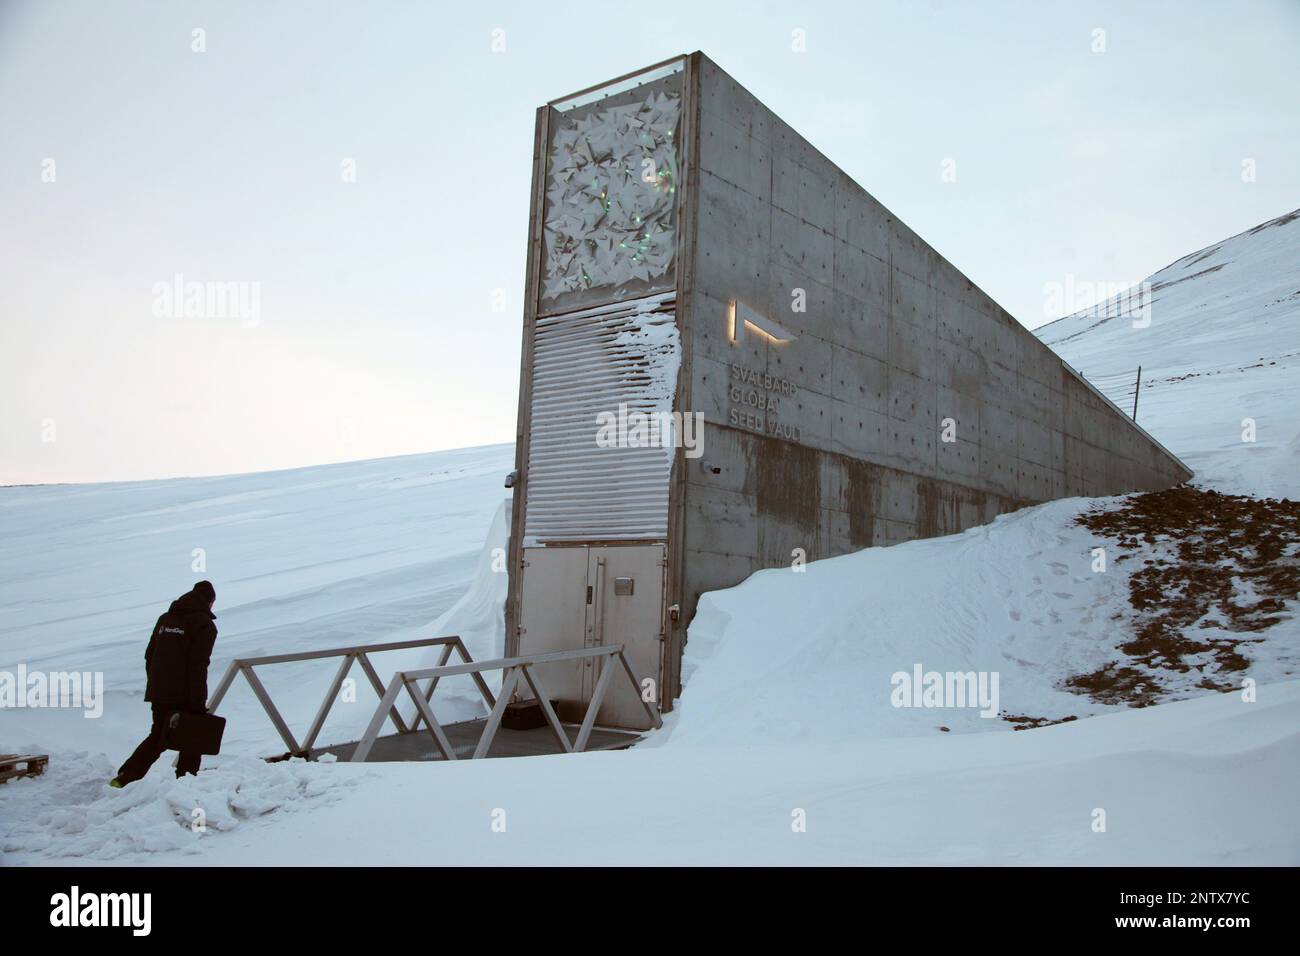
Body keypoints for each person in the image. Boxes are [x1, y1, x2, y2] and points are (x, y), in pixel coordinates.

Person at [110, 580, 218, 787]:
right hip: (185, 693)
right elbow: (198, 665)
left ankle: (125, 778)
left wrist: (156, 684)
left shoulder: (165, 619)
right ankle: (185, 784)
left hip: (159, 691)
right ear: (210, 601)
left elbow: (149, 655)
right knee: (193, 737)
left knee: (158, 736)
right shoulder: (204, 624)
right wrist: (197, 700)